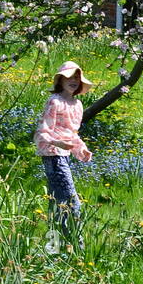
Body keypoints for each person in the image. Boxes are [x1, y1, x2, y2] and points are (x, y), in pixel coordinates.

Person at [34, 61, 94, 250]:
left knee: (57, 201)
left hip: (63, 154)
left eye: (77, 77)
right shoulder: (55, 101)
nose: (73, 81)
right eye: (69, 77)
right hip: (53, 154)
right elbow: (43, 131)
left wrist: (80, 149)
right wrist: (56, 142)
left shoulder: (77, 104)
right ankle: (76, 246)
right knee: (70, 201)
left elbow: (71, 134)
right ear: (60, 80)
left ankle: (55, 248)